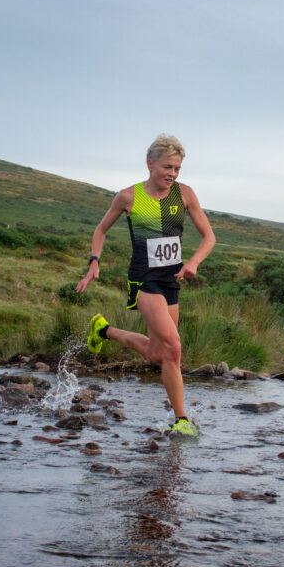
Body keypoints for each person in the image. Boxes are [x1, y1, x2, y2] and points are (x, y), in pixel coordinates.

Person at [76, 134, 215, 436]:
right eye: (167, 167)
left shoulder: (186, 194)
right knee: (174, 348)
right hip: (144, 280)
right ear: (150, 163)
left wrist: (193, 263)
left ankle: (104, 330)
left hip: (171, 280)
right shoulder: (128, 197)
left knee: (157, 353)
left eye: (177, 169)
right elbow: (101, 229)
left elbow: (209, 237)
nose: (172, 174)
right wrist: (94, 262)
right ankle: (181, 420)